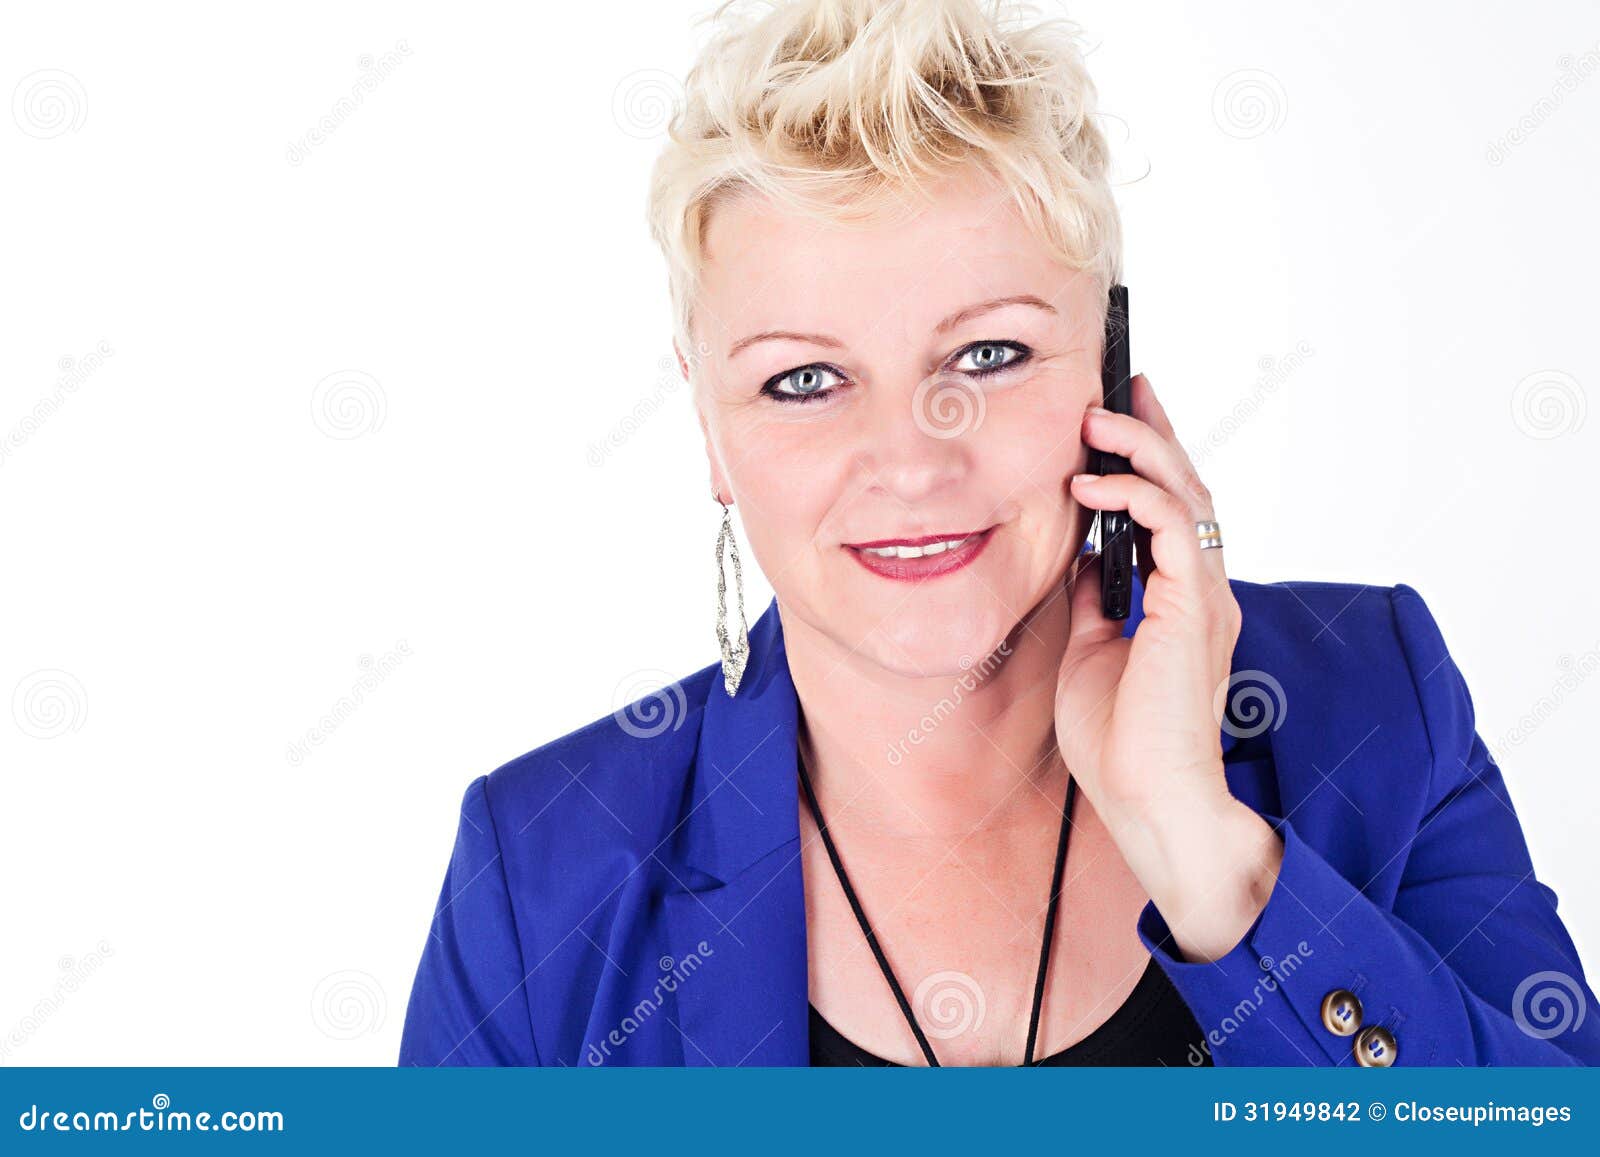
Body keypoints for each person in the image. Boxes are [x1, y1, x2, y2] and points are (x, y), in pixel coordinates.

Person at [398, 0, 1599, 1067]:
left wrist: (1205, 852)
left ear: (1114, 376)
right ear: (708, 423)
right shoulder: (539, 872)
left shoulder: (1372, 698)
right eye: (805, 380)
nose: (914, 461)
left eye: (988, 354)